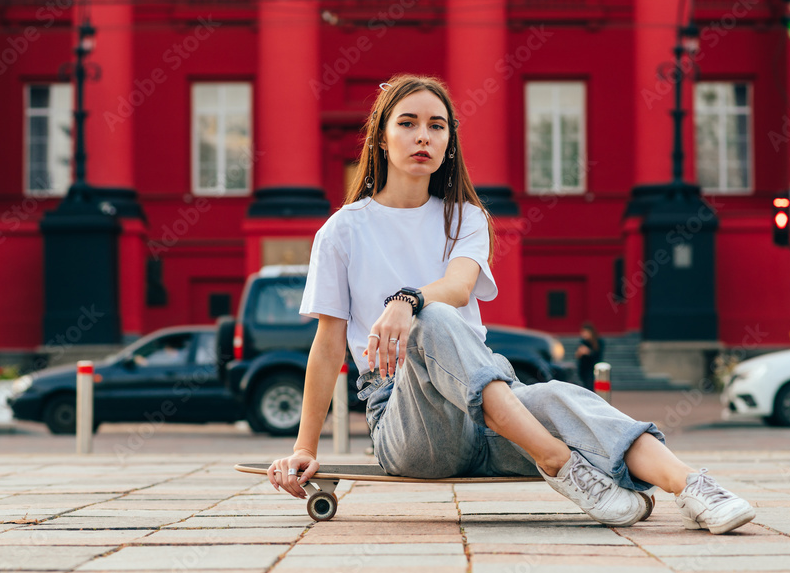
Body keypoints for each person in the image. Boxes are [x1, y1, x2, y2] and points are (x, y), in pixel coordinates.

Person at [268, 74, 755, 534]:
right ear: (380, 138)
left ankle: (695, 489)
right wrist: (304, 446)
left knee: (563, 398)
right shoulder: (343, 231)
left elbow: (458, 287)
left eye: (437, 126)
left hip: (492, 409)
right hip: (410, 421)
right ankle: (559, 464)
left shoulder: (467, 217)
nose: (424, 136)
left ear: (448, 144)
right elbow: (328, 344)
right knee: (432, 318)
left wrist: (404, 298)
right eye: (408, 123)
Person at [575, 322, 604, 391]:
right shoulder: (582, 342)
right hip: (583, 368)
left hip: (593, 368)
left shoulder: (598, 342)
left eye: (585, 332)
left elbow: (598, 354)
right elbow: (577, 355)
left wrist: (588, 352)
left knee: (591, 387)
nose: (583, 334)